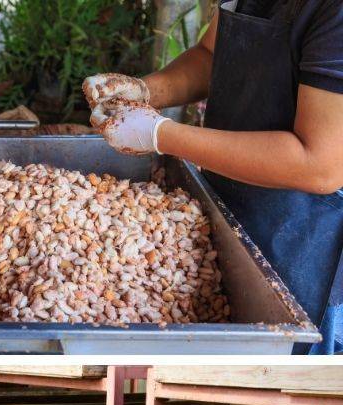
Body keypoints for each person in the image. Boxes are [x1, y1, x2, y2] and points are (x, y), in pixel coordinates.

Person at [85, 0, 343, 353]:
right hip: (233, 207)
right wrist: (145, 93)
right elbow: (212, 54)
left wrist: (161, 134)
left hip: (309, 233)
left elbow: (320, 164)